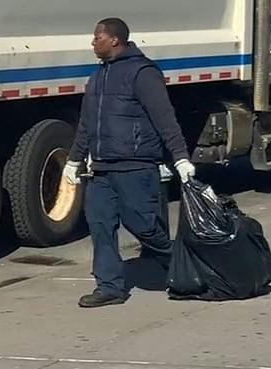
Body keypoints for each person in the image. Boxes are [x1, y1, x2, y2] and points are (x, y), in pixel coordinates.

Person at [66, 17, 196, 308]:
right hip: (101, 169)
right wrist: (74, 161)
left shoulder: (142, 73)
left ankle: (184, 263)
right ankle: (109, 287)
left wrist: (181, 158)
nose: (92, 42)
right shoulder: (98, 76)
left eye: (97, 37)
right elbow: (86, 124)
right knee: (100, 225)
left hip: (135, 167)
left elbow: (165, 118)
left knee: (144, 227)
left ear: (114, 40)